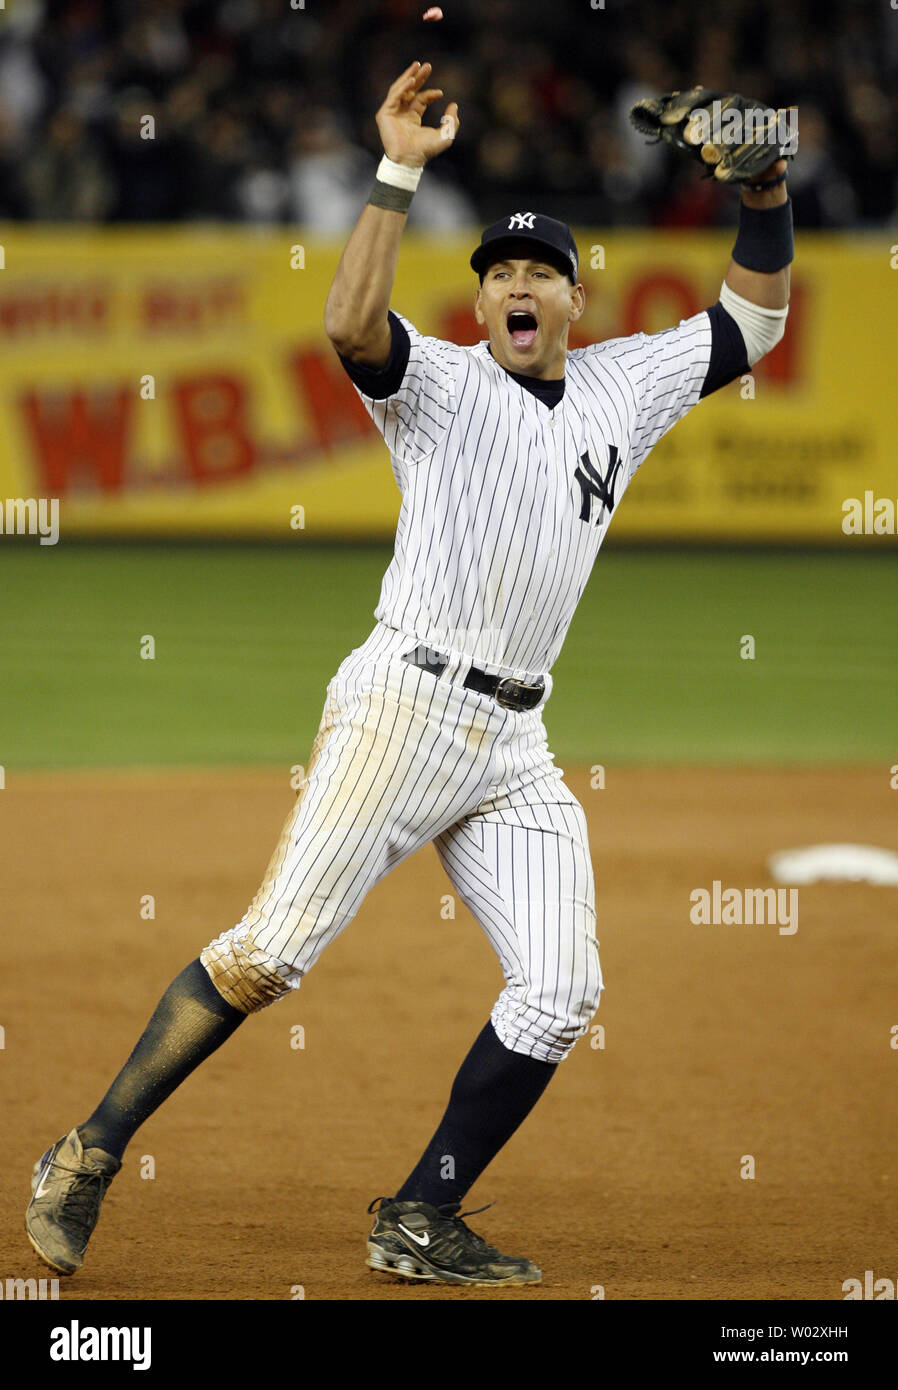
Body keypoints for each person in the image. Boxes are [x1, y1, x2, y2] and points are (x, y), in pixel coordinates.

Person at [25, 60, 792, 1289]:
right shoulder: (436, 385)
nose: (517, 284)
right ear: (480, 304)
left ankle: (419, 1215)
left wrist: (762, 194)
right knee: (269, 956)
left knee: (560, 987)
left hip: (517, 746)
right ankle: (87, 1150)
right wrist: (395, 171)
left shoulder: (622, 386)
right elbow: (345, 327)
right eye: (497, 273)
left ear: (576, 302)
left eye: (539, 270)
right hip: (404, 707)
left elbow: (751, 323)